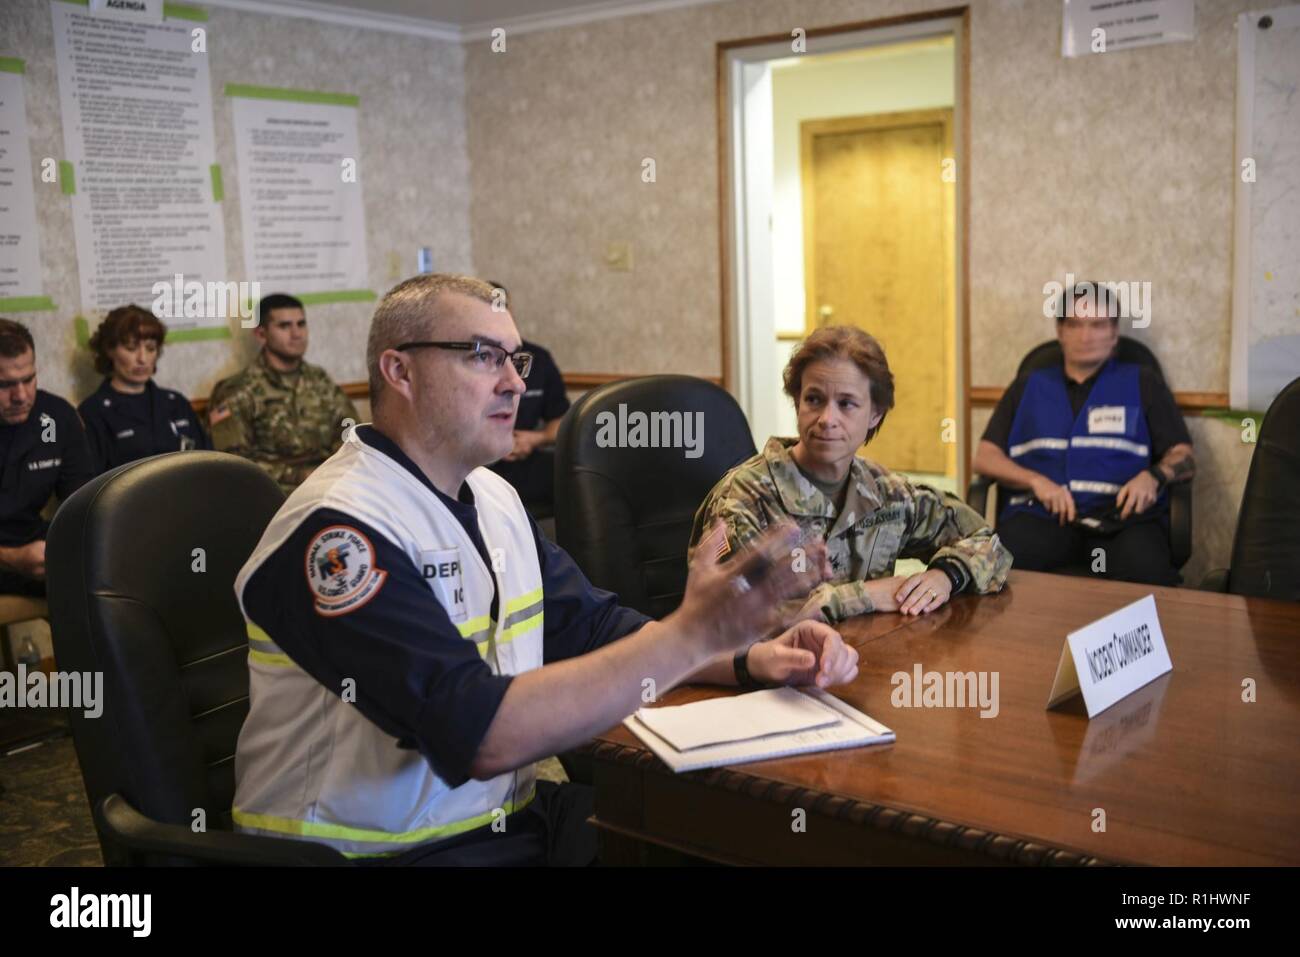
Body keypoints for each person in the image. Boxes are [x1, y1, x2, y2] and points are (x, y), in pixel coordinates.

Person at [231, 274, 856, 865]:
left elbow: (591, 626)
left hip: (502, 820)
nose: (514, 384)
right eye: (482, 356)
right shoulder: (337, 534)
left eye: (515, 360)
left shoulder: (492, 496)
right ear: (400, 370)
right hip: (377, 852)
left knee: (720, 836)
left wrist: (747, 658)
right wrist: (692, 633)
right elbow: (475, 733)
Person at [689, 325, 1011, 622]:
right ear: (797, 403)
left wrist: (946, 575)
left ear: (874, 414)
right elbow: (730, 617)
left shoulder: (887, 493)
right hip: (767, 678)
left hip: (862, 664)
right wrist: (863, 596)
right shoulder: (745, 497)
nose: (827, 418)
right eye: (814, 399)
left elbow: (985, 541)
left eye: (846, 404)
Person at [972, 281, 1194, 586]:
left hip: (1123, 522)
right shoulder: (1028, 385)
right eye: (1075, 324)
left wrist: (1153, 476)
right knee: (993, 575)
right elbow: (985, 458)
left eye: (1098, 325)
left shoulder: (1143, 382)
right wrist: (1036, 481)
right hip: (1042, 517)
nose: (1086, 335)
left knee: (1150, 580)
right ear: (1060, 331)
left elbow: (1184, 456)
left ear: (1114, 333)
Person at [208, 294, 358, 496]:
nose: (297, 334)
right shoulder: (237, 390)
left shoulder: (319, 380)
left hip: (330, 486)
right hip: (272, 494)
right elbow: (234, 462)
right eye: (285, 326)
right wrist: (300, 476)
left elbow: (349, 429)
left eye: (301, 324)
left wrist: (336, 468)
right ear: (261, 334)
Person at [0, 319, 94, 596]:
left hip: (34, 544)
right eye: (4, 385)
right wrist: (11, 558)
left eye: (28, 379)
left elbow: (82, 504)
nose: (21, 396)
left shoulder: (56, 417)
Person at [78, 305, 210, 473]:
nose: (142, 359)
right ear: (109, 350)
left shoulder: (176, 403)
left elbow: (207, 462)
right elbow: (90, 486)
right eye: (131, 348)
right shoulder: (94, 412)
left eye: (150, 348)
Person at [484, 282, 569, 512]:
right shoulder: (466, 362)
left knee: (576, 474)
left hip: (525, 460)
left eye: (502, 309)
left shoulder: (538, 358)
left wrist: (534, 439)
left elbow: (561, 420)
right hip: (480, 464)